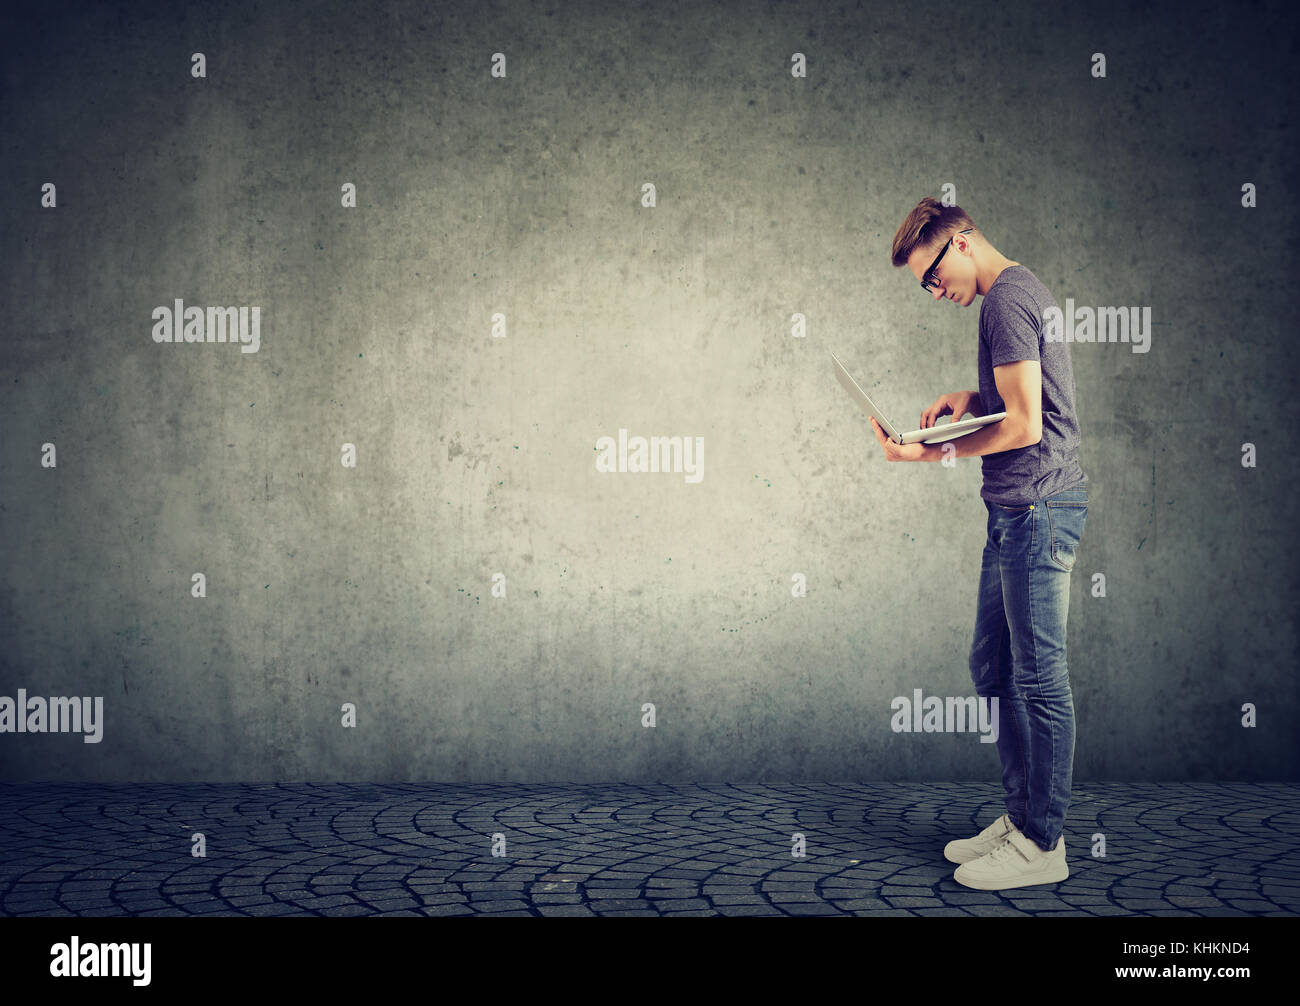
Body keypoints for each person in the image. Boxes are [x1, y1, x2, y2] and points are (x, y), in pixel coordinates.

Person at [868, 196, 1088, 890]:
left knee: (1039, 678)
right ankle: (1022, 818)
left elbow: (1025, 427)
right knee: (991, 665)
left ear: (959, 242)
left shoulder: (1005, 301)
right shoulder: (1015, 293)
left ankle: (1043, 843)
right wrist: (973, 398)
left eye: (933, 278)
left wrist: (928, 456)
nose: (936, 294)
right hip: (1016, 510)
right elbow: (1028, 402)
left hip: (1036, 510)